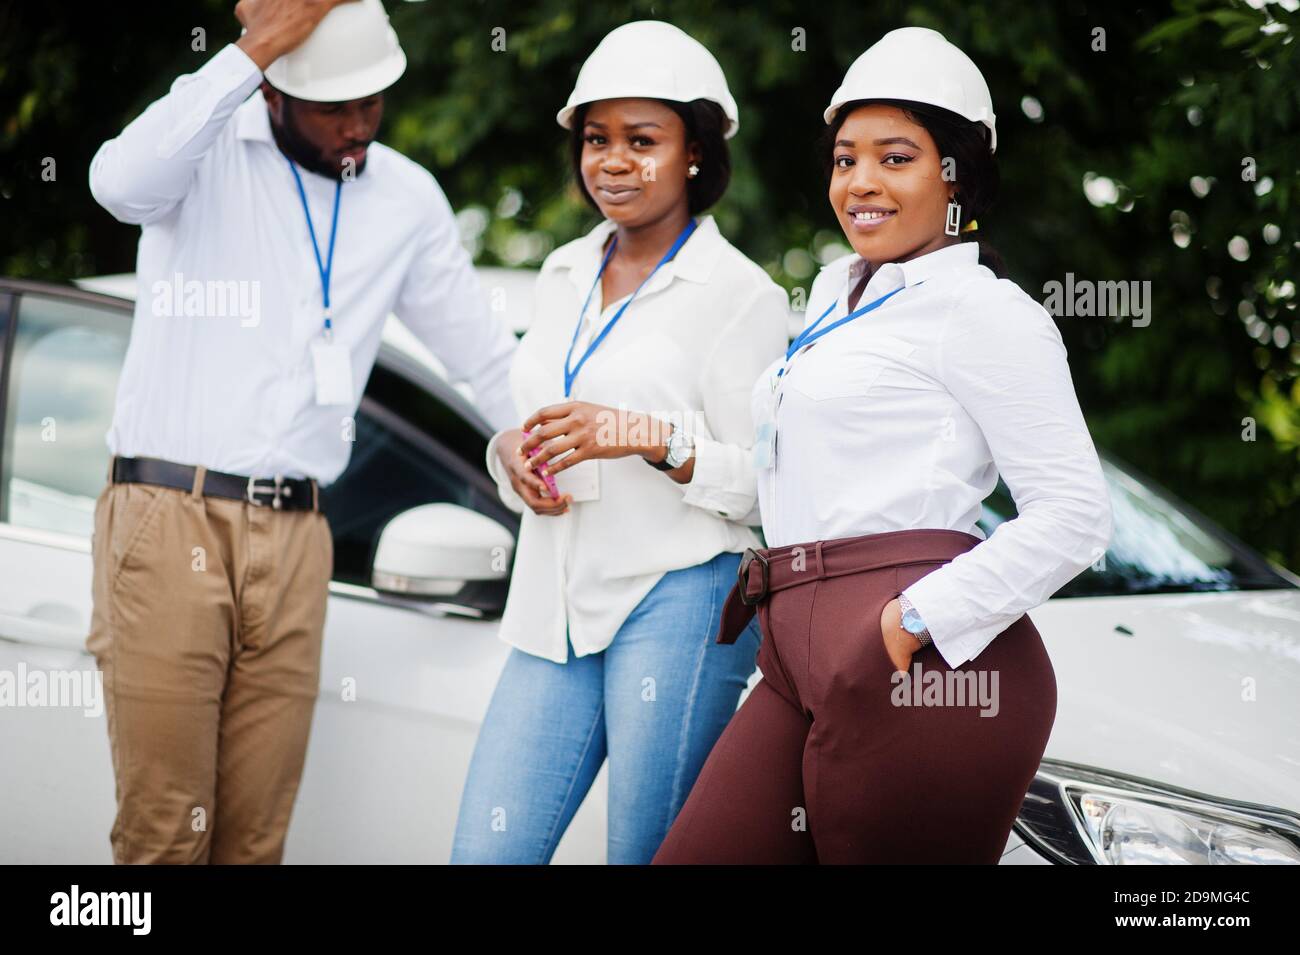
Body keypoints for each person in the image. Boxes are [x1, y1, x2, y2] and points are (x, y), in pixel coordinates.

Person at [653, 27, 1113, 864]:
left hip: (916, 660)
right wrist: (665, 446)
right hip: (793, 649)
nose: (860, 182)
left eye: (895, 158)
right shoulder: (836, 293)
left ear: (956, 176)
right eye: (844, 158)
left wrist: (907, 623)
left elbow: (1077, 515)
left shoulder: (985, 311)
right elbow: (797, 477)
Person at [85, 0, 517, 864]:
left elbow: (487, 356)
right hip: (172, 518)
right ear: (274, 91)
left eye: (373, 102)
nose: (359, 124)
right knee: (165, 832)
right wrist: (256, 48)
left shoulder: (404, 196)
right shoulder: (204, 157)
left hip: (298, 537)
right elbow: (115, 182)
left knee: (255, 842)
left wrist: (530, 443)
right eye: (336, 106)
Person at [449, 20, 789, 865]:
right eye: (598, 139)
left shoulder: (740, 294)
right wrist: (509, 459)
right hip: (554, 603)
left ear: (696, 154)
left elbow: (771, 488)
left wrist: (644, 437)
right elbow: (529, 422)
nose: (612, 160)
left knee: (648, 856)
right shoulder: (563, 269)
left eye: (643, 141)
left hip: (679, 596)